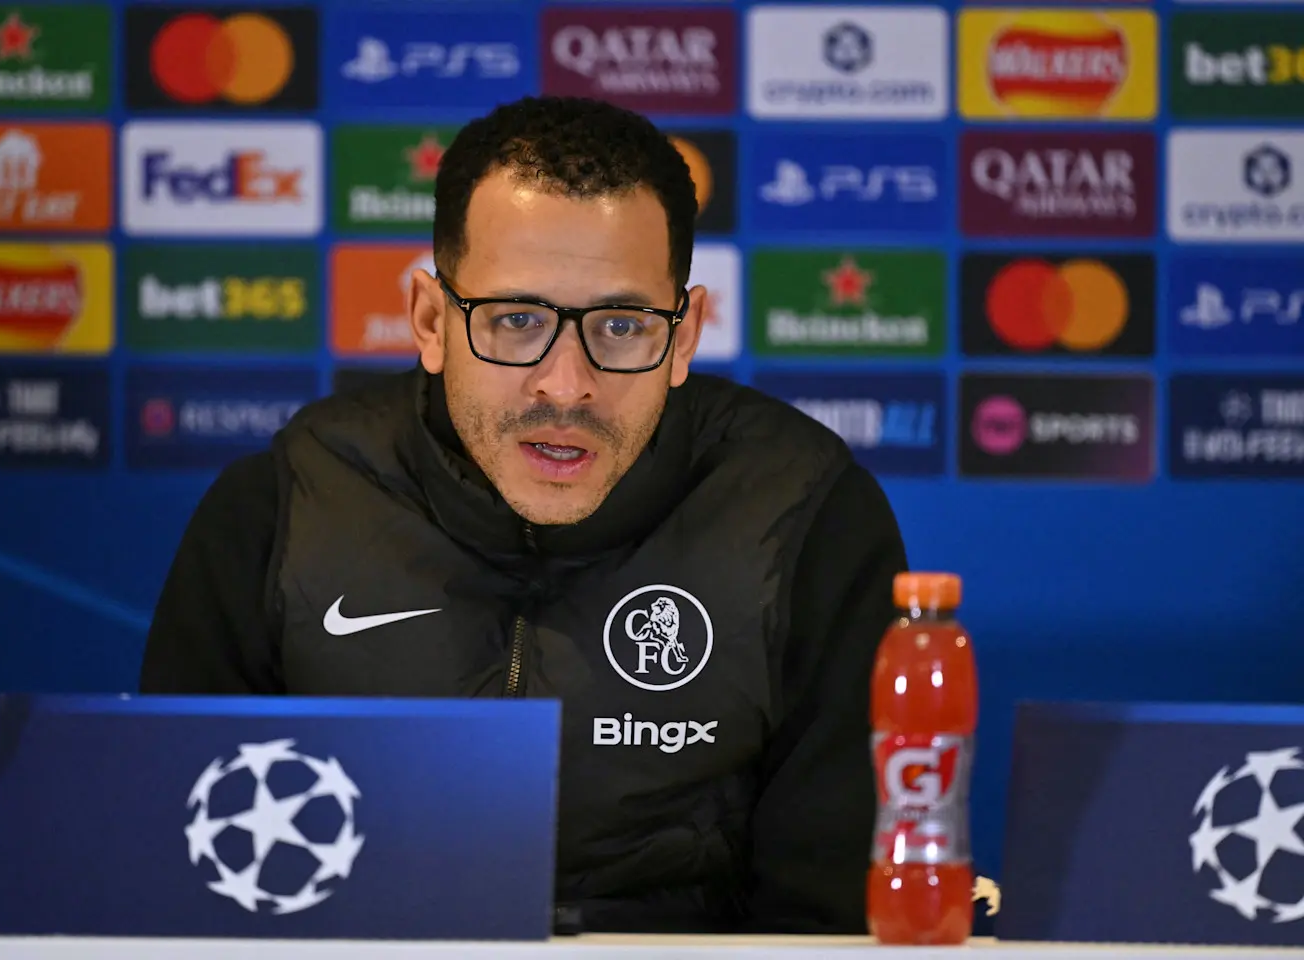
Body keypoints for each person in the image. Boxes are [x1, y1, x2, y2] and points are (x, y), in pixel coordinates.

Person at [140, 95, 910, 935]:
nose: (566, 386)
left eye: (621, 325)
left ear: (684, 337)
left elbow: (830, 927)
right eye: (516, 320)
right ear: (430, 321)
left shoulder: (804, 516)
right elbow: (180, 887)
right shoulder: (283, 507)